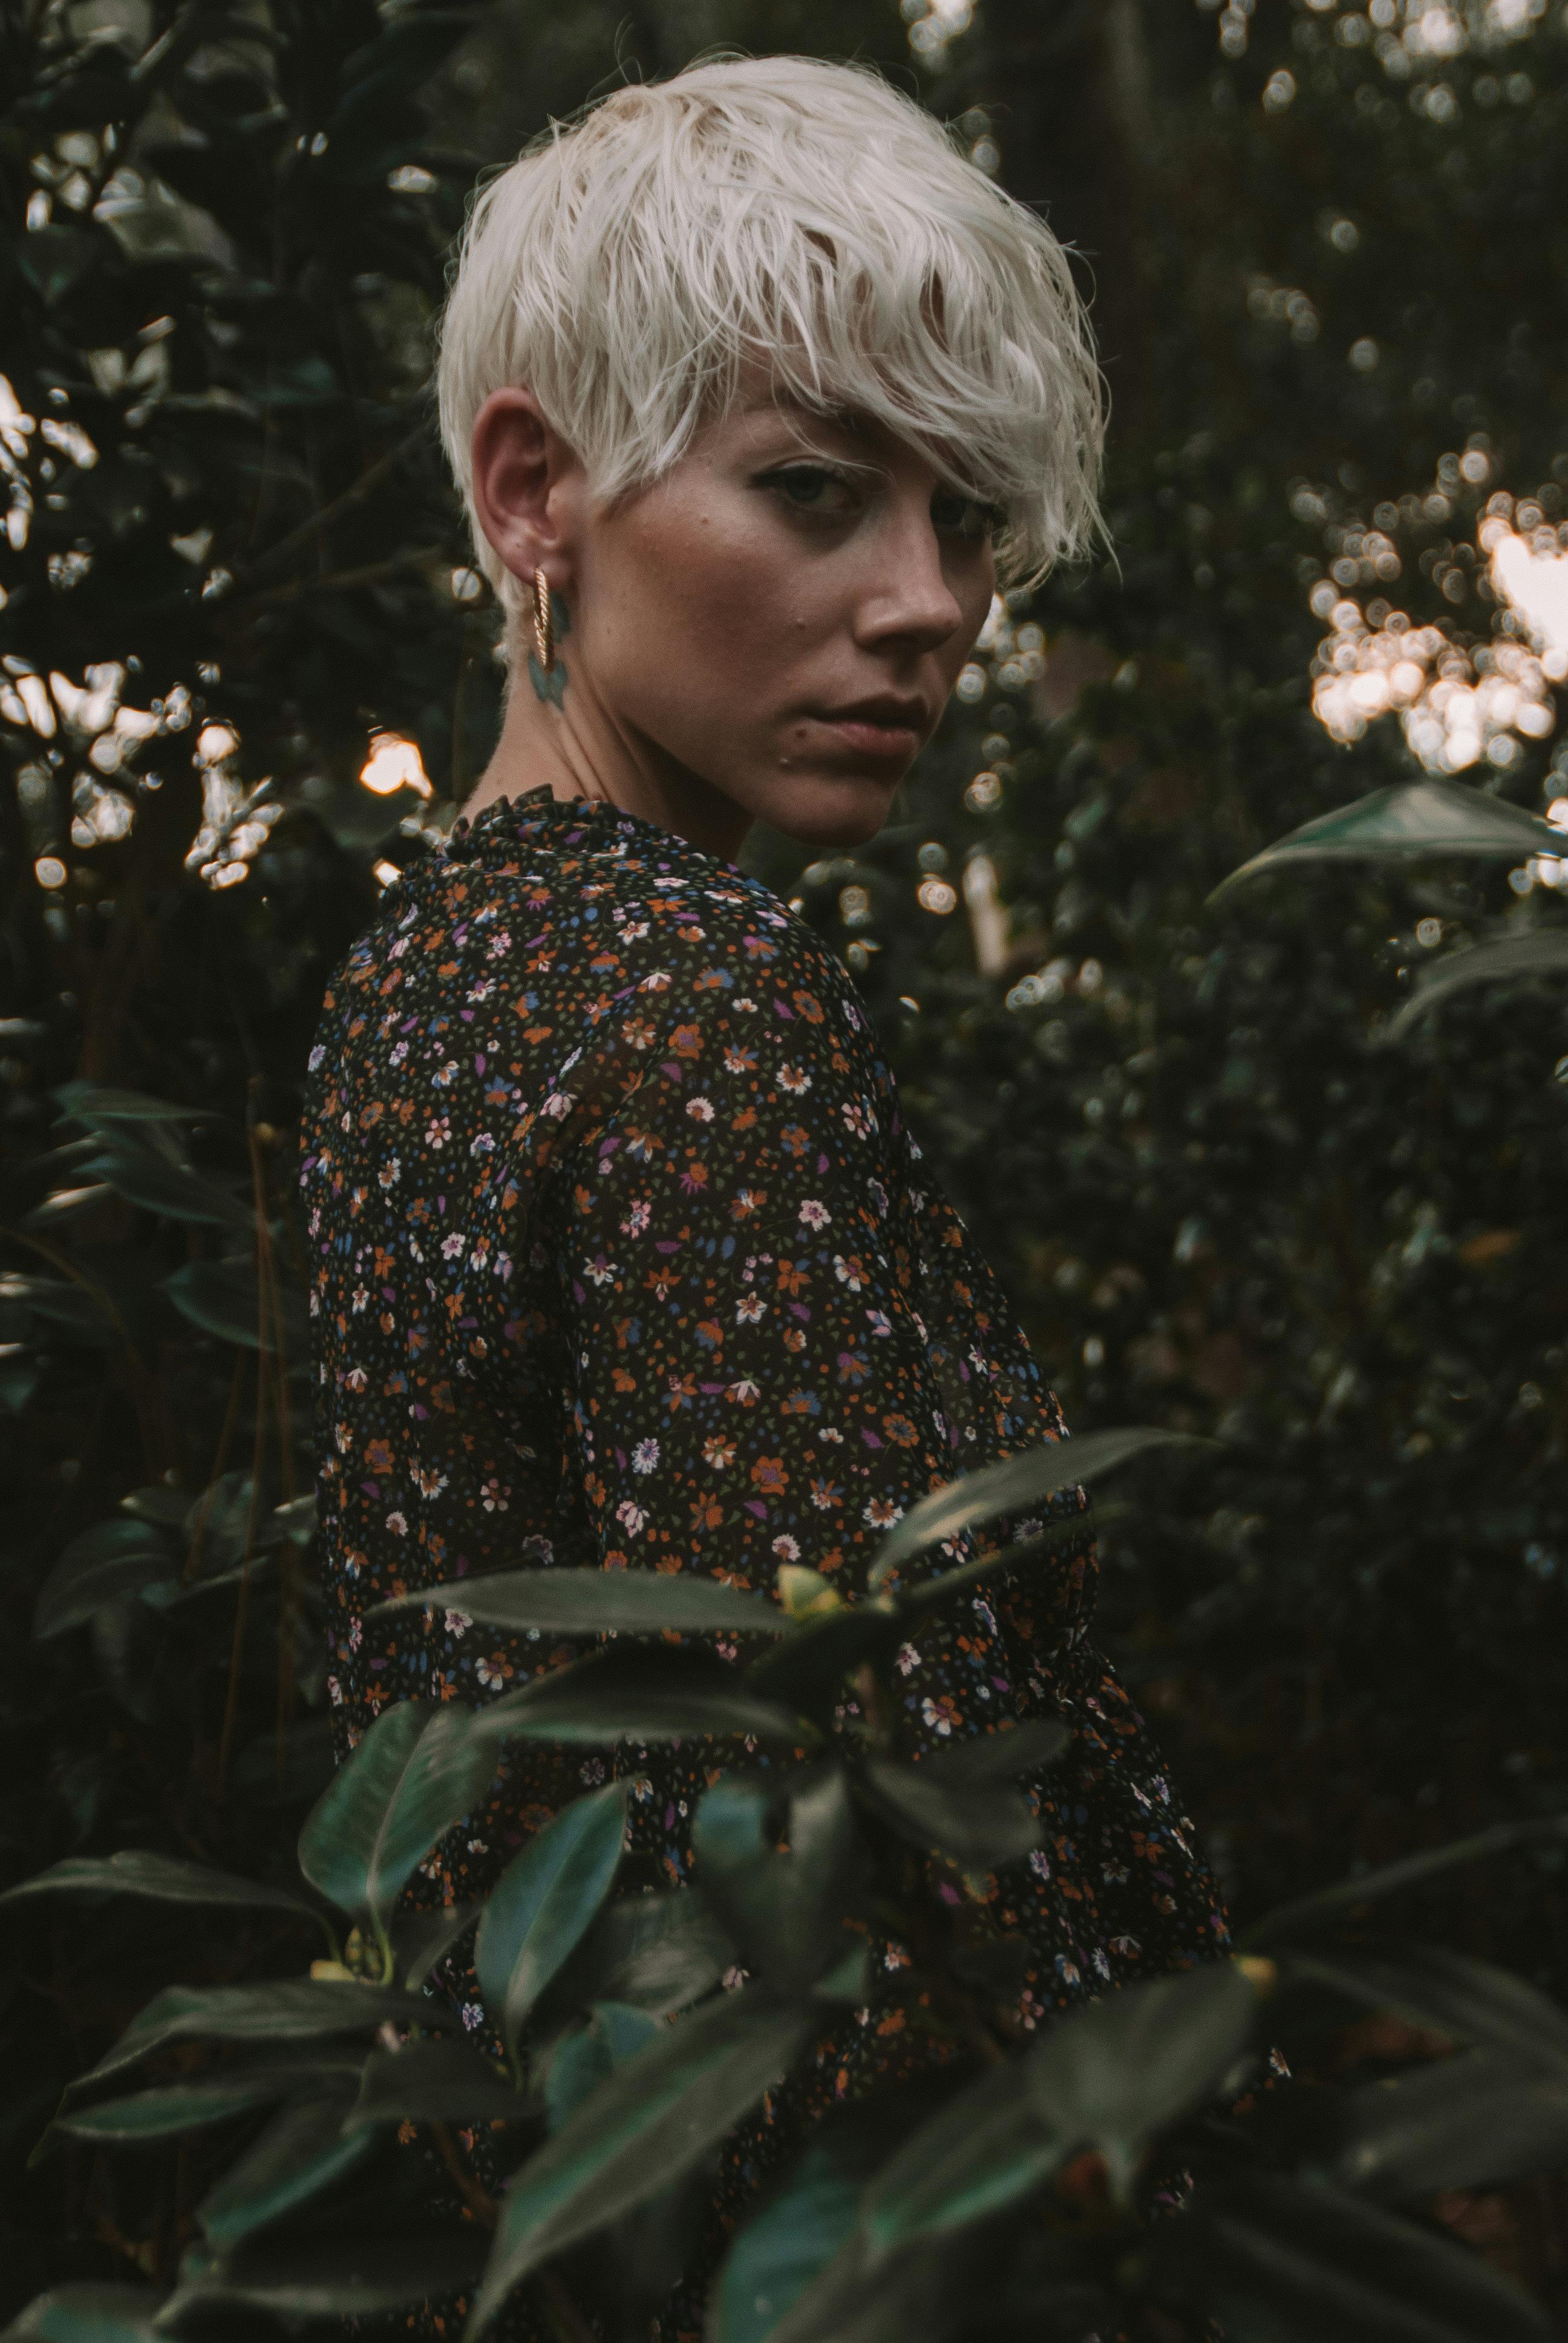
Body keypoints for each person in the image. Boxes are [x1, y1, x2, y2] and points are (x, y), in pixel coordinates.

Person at [299, 53, 1227, 2337]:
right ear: (537, 492)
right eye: (815, 491)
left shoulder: (420, 965)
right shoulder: (690, 982)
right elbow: (836, 1814)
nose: (928, 604)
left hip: (548, 2186)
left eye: (969, 517)